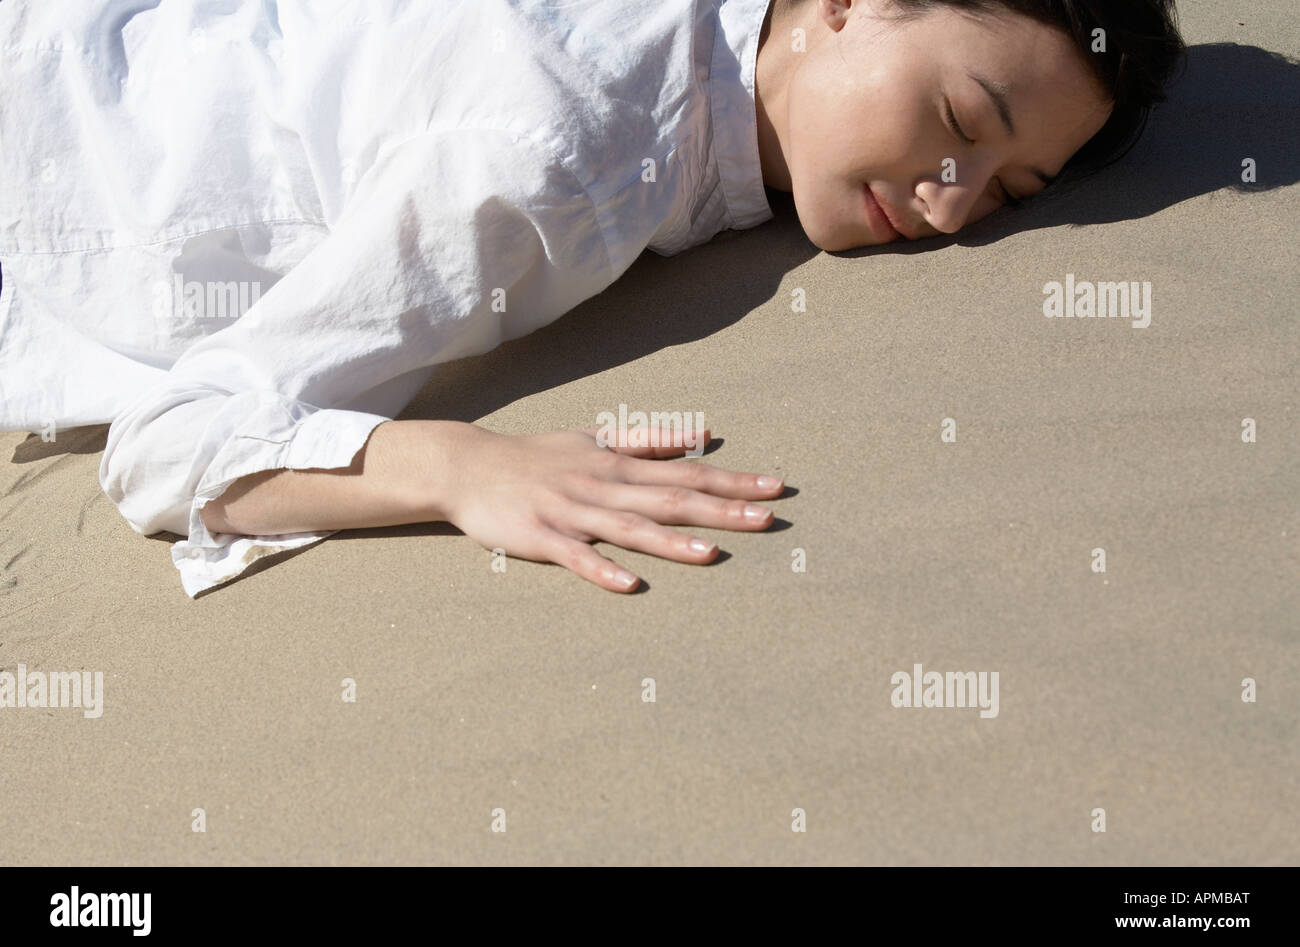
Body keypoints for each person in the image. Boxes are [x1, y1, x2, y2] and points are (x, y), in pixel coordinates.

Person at [0, 0, 1185, 597]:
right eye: (961, 124)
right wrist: (461, 467)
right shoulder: (563, 157)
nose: (948, 197)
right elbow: (177, 448)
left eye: (1007, 188)